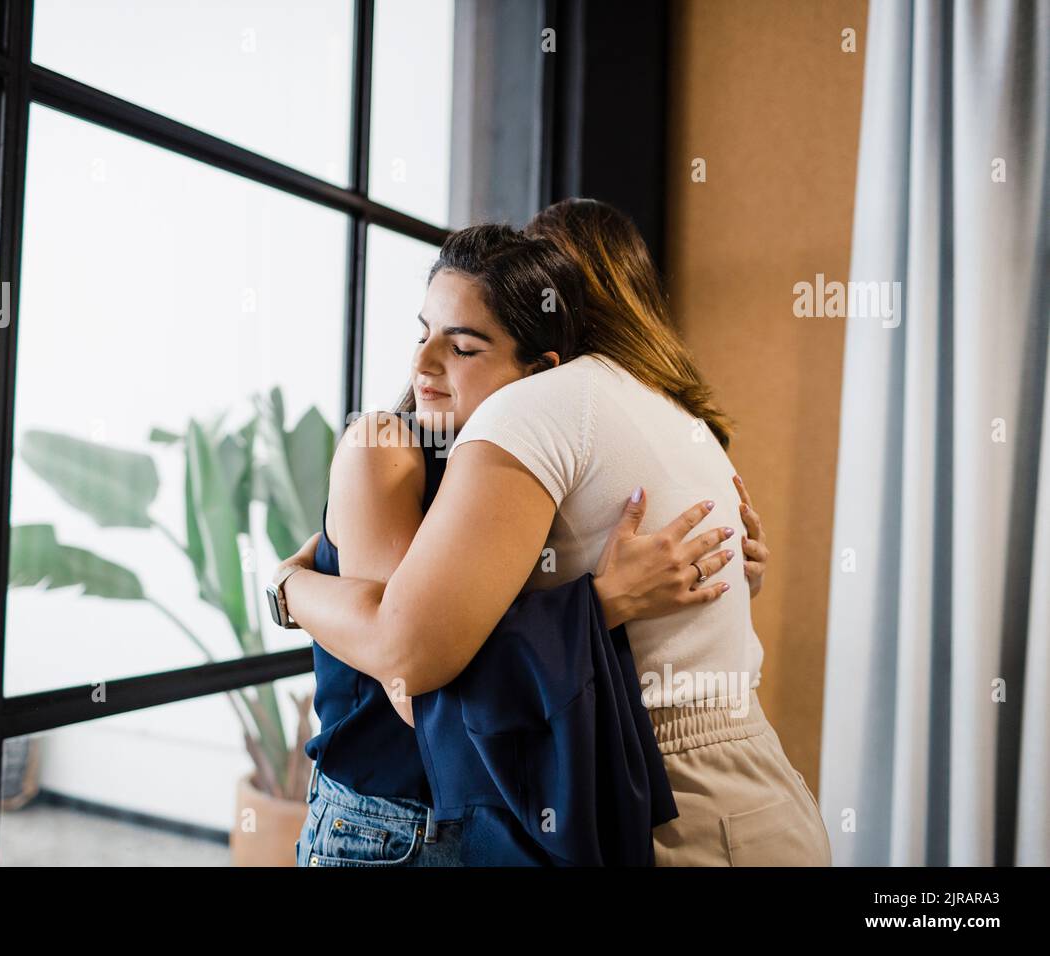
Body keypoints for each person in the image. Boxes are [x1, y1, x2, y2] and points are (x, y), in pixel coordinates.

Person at [278, 201, 828, 866]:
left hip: (488, 812)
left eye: (463, 343)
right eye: (424, 331)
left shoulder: (537, 449)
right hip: (388, 825)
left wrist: (722, 573)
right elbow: (410, 678)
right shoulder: (388, 447)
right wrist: (290, 586)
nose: (425, 360)